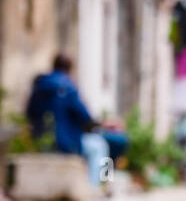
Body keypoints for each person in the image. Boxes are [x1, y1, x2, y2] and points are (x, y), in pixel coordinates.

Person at [25, 53, 128, 187]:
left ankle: (101, 183)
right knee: (100, 146)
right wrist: (105, 124)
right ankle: (96, 185)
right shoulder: (68, 88)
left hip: (40, 138)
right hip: (67, 142)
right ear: (69, 69)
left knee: (99, 144)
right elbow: (85, 118)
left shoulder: (40, 86)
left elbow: (29, 113)